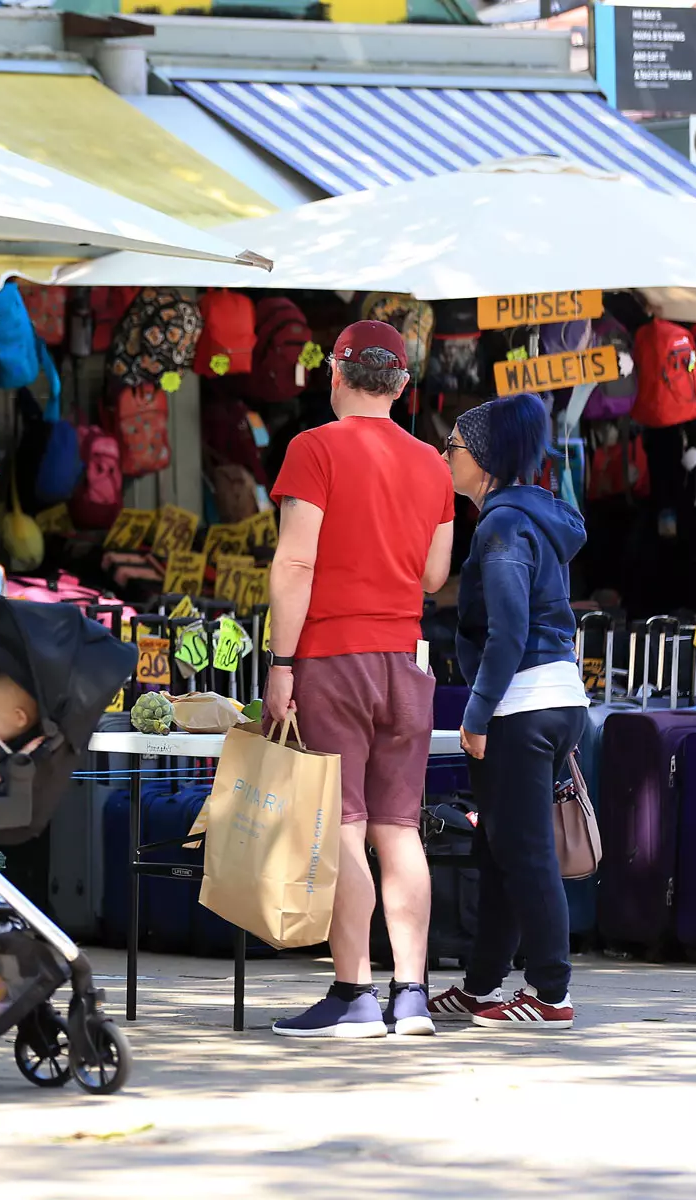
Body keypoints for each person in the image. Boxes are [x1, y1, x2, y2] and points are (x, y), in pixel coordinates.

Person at [265, 320, 455, 1040]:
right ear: (403, 386)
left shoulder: (313, 448)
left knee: (342, 828)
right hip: (406, 662)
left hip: (332, 658)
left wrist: (281, 665)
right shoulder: (435, 466)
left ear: (335, 376)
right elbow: (435, 575)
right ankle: (411, 995)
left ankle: (353, 994)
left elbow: (294, 564)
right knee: (399, 828)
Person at [430, 394, 588, 1031]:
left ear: (485, 462)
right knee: (500, 852)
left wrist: (476, 712)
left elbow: (508, 629)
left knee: (523, 854)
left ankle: (550, 991)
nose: (446, 457)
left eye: (454, 448)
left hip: (521, 704)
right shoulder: (526, 517)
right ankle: (482, 985)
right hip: (554, 696)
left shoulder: (501, 527)